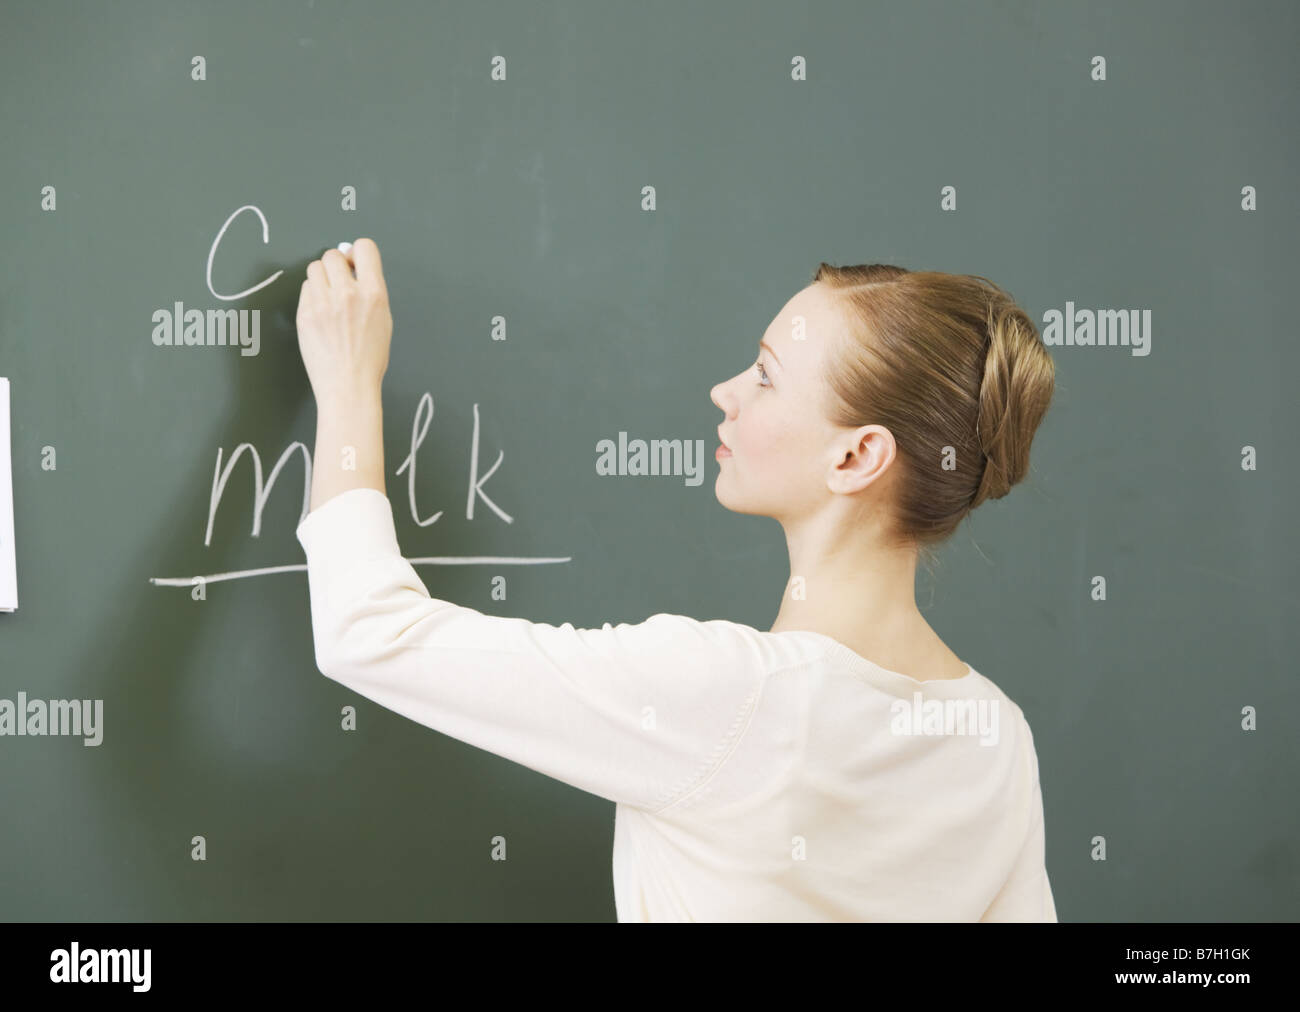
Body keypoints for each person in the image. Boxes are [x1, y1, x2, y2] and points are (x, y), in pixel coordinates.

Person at [294, 238, 1058, 922]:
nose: (725, 391)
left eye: (766, 375)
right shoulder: (995, 737)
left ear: (855, 457)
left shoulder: (722, 695)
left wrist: (348, 385)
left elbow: (367, 632)